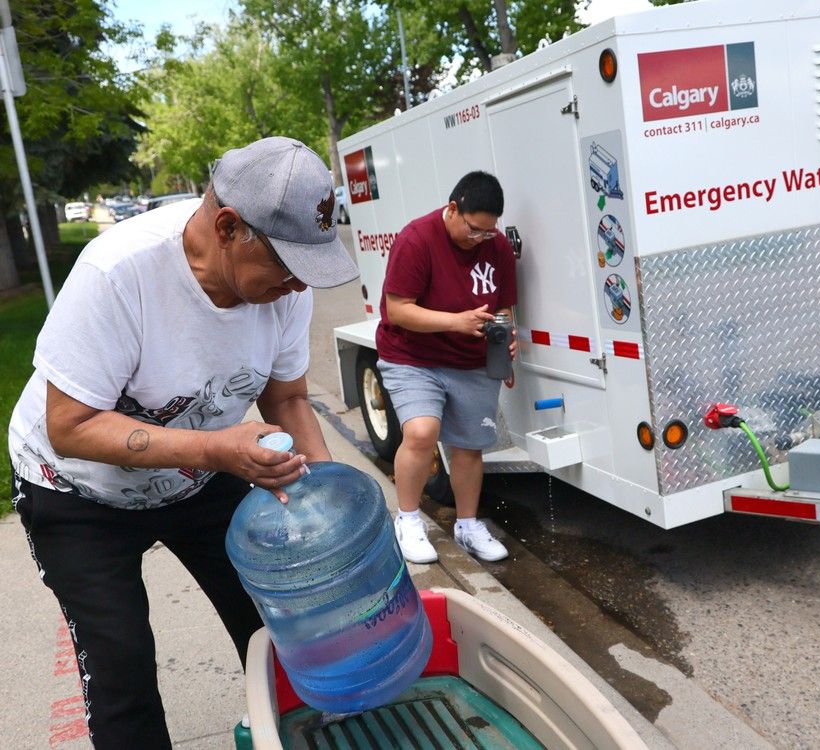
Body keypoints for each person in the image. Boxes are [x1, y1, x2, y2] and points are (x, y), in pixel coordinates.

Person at [7, 136, 358, 748]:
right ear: (229, 227)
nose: (300, 288)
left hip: (202, 471)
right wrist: (217, 451)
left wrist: (322, 506)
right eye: (288, 267)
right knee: (121, 666)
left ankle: (289, 729)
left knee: (281, 623)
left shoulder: (283, 292)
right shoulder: (118, 273)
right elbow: (71, 426)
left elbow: (287, 399)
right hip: (75, 490)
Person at [376, 171, 517, 564]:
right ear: (452, 209)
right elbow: (398, 310)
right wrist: (456, 321)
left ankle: (468, 525)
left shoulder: (498, 246)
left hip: (471, 359)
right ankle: (408, 520)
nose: (480, 239)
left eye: (488, 233)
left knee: (470, 446)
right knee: (422, 432)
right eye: (474, 230)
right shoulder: (416, 240)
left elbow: (504, 306)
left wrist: (505, 342)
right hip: (413, 356)